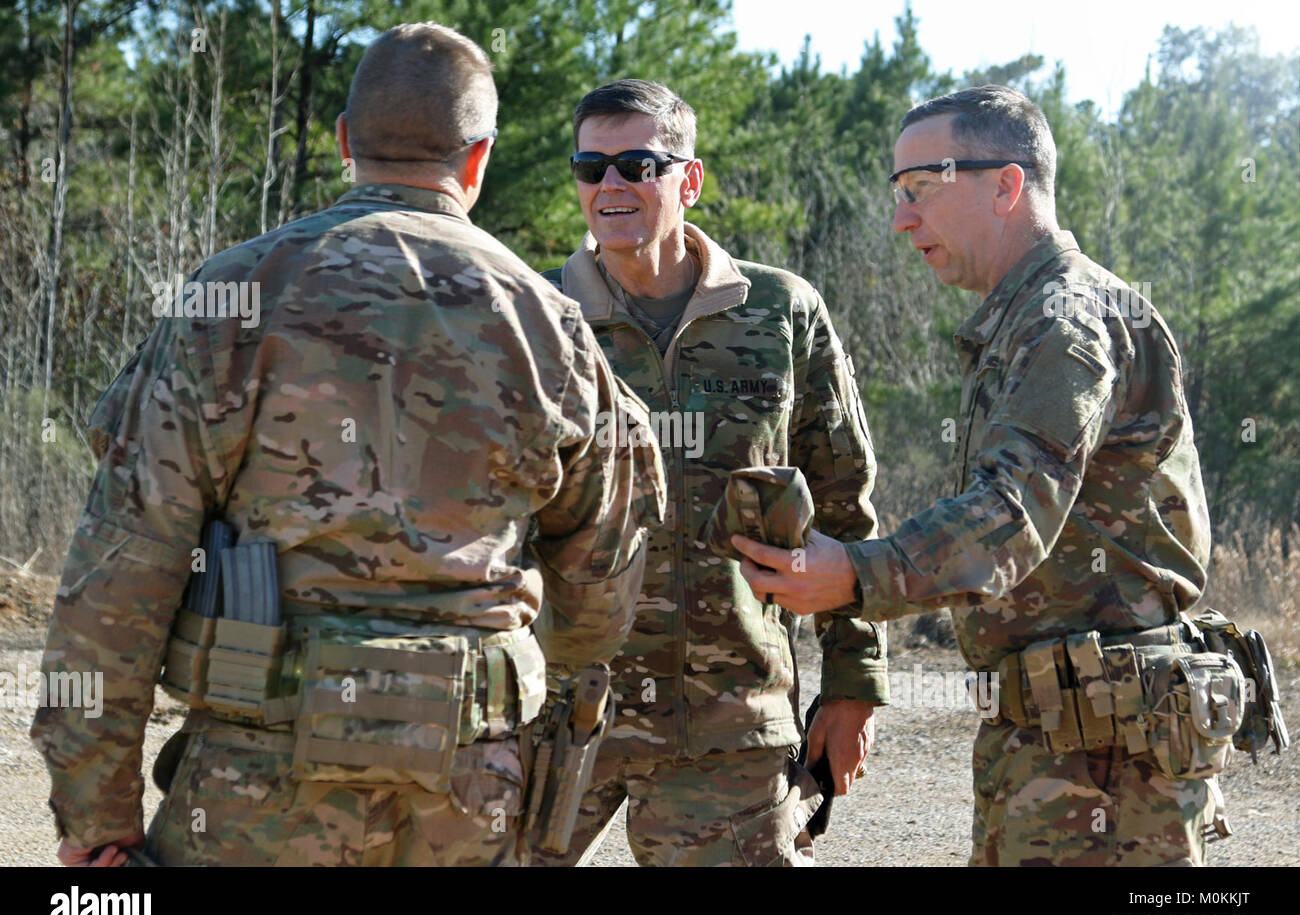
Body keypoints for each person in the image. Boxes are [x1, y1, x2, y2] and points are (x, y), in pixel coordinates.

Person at [31, 22, 662, 867]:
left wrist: (94, 815)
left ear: (343, 143)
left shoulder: (230, 299)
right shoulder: (553, 327)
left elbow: (119, 579)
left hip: (257, 793)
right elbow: (598, 603)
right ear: (478, 160)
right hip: (468, 797)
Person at [732, 85, 1224, 866]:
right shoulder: (1023, 319)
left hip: (1107, 765)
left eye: (921, 189)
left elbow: (1010, 515)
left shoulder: (1065, 320)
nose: (901, 219)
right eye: (897, 194)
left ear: (1007, 184)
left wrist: (855, 574)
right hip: (1068, 738)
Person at [529, 79, 887, 867]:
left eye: (637, 164)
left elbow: (844, 505)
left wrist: (855, 679)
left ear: (688, 179)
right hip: (556, 712)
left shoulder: (780, 313)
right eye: (592, 167)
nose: (611, 186)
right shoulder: (532, 317)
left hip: (730, 723)